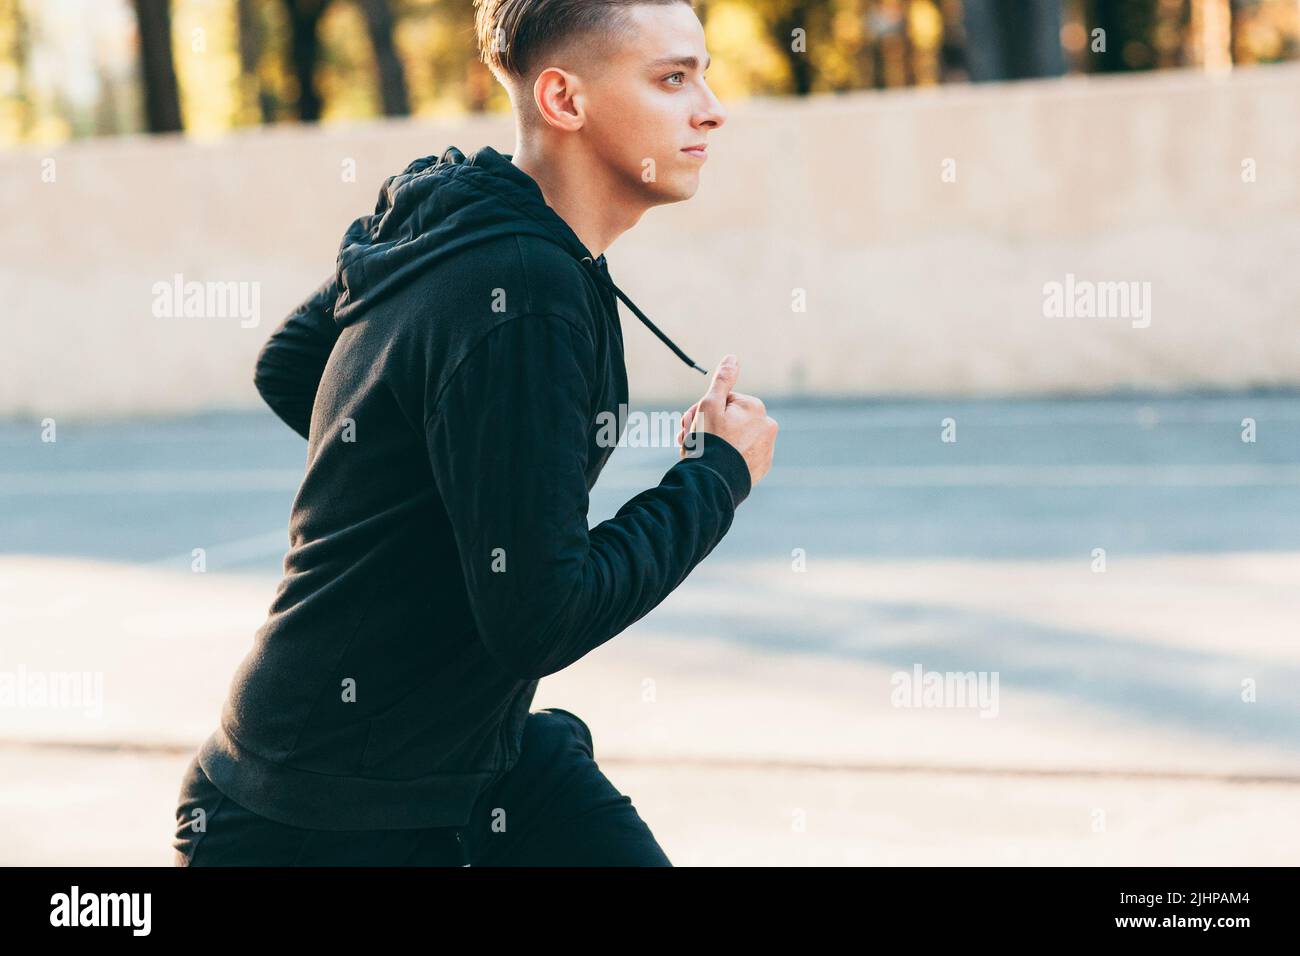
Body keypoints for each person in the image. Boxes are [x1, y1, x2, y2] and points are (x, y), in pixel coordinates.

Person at [172, 0, 777, 867]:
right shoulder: (522, 287)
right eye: (673, 78)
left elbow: (290, 364)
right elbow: (542, 618)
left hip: (463, 762)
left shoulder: (462, 210)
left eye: (703, 73)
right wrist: (715, 478)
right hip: (317, 819)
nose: (711, 106)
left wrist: (422, 482)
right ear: (563, 100)